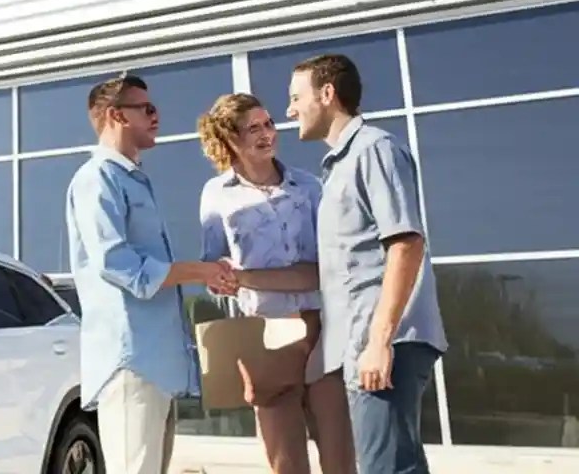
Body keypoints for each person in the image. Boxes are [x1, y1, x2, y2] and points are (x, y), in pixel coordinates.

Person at [66, 73, 237, 474]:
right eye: (147, 108)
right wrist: (202, 271)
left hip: (157, 363)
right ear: (117, 116)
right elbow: (118, 264)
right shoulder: (97, 178)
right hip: (131, 361)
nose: (156, 116)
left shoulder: (134, 180)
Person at [286, 53, 447, 474]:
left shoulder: (373, 149)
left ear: (327, 94)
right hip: (362, 342)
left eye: (296, 98)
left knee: (387, 467)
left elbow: (406, 243)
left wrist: (379, 343)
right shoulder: (339, 166)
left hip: (384, 343)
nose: (290, 110)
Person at [196, 92, 356, 474]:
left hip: (321, 331)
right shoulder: (216, 195)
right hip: (266, 338)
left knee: (340, 458)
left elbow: (327, 267)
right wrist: (220, 279)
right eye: (253, 128)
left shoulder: (309, 187)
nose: (267, 133)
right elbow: (212, 268)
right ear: (229, 138)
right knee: (285, 463)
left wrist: (245, 278)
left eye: (268, 124)